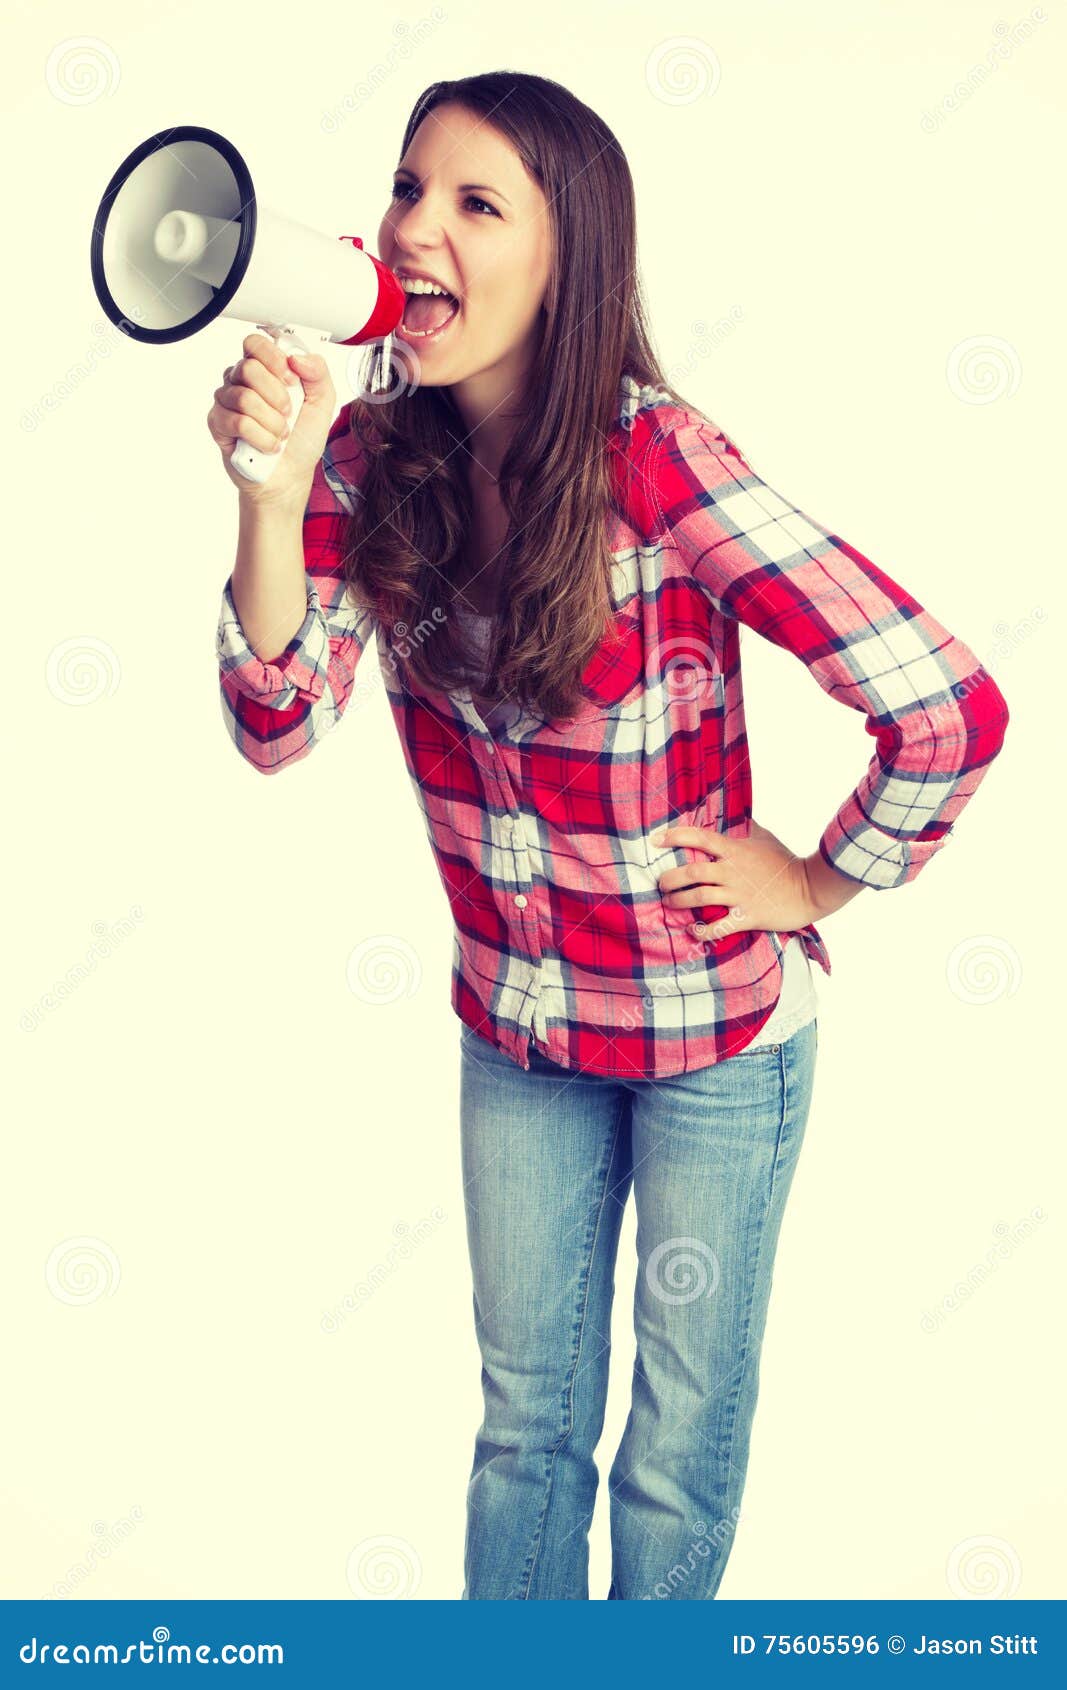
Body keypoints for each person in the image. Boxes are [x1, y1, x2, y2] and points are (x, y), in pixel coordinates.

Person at [210, 73, 1010, 1600]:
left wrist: (818, 874)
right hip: (520, 1030)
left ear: (568, 262)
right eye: (406, 188)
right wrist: (271, 490)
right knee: (526, 1434)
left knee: (676, 1442)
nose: (413, 228)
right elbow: (277, 723)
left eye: (475, 202)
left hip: (715, 1035)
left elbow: (948, 703)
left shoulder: (657, 458)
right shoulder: (370, 458)